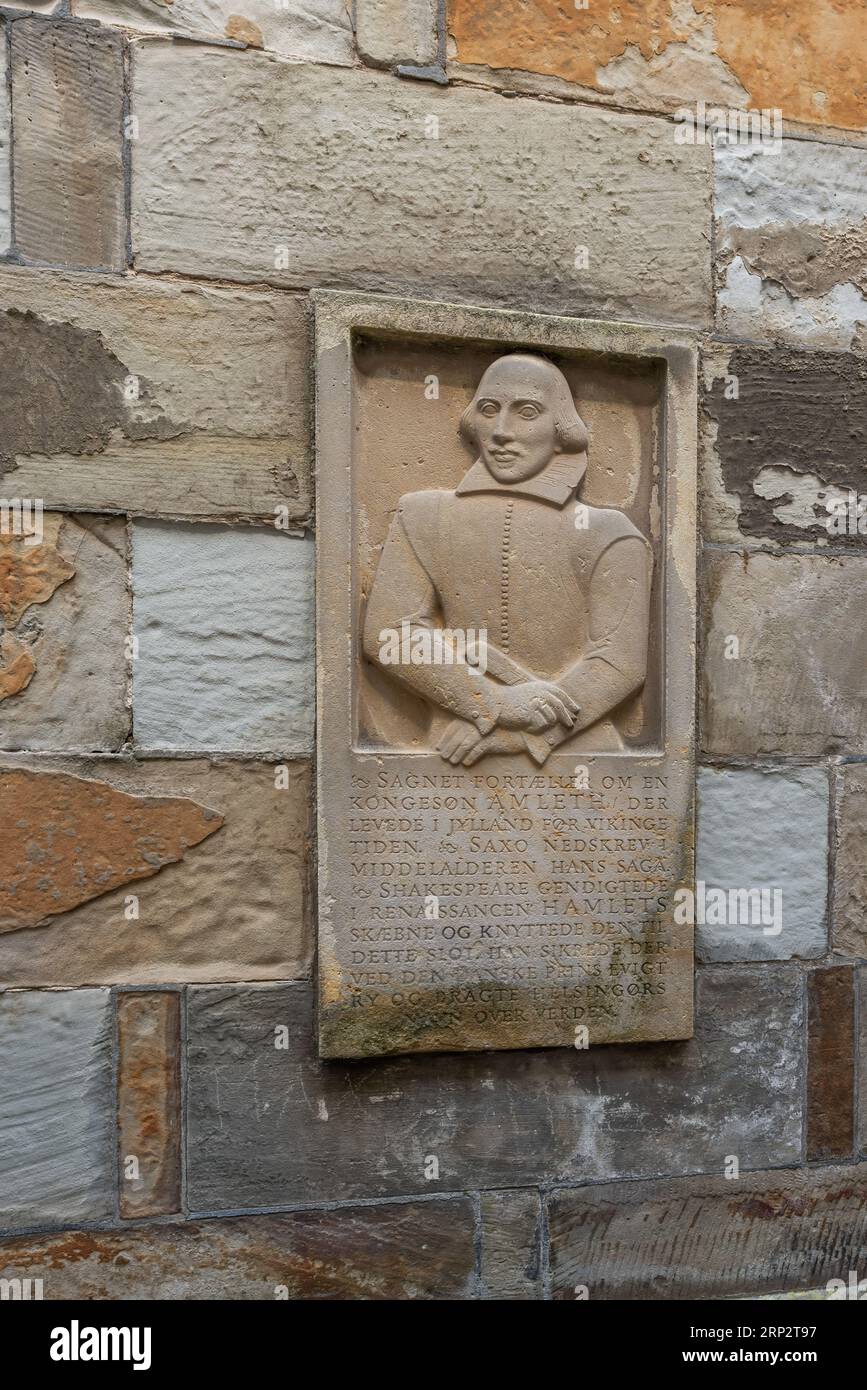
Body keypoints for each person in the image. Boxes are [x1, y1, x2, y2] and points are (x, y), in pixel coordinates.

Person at [362, 352, 652, 766]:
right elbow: (390, 634)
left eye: (527, 412)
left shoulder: (609, 531)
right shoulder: (422, 514)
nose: (501, 432)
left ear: (561, 430)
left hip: (584, 757)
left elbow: (619, 663)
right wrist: (491, 702)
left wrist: (521, 737)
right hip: (449, 751)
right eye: (488, 410)